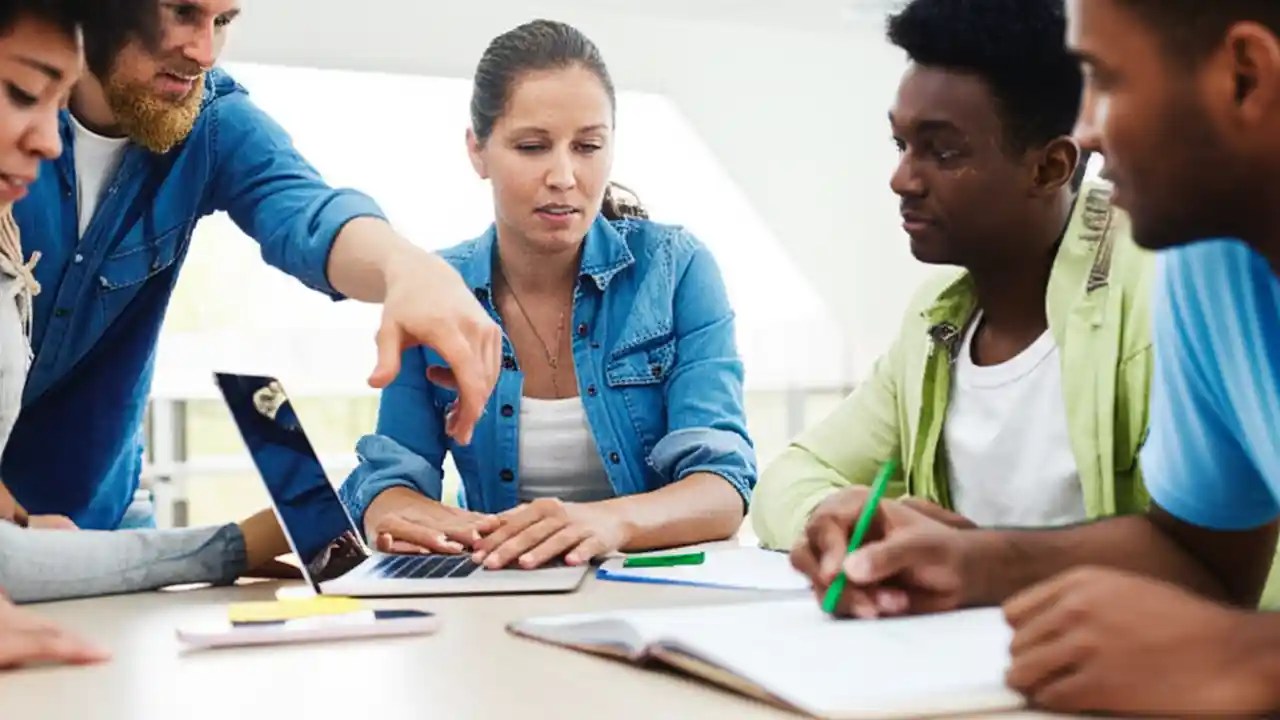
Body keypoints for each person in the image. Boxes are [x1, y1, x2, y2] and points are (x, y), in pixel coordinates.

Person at [792, 0, 1280, 714]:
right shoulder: (1209, 262)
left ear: (1244, 78)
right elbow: (1203, 557)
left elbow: (1229, 624)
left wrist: (1252, 657)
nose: (1086, 130)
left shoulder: (1142, 289)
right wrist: (971, 561)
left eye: (1105, 81)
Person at [0, 0, 503, 532]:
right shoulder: (14, 124)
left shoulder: (210, 121)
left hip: (99, 529)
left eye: (222, 22)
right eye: (183, 13)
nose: (204, 53)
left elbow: (307, 212)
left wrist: (406, 268)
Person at [340, 19, 755, 571]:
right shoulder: (439, 291)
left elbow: (722, 488)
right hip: (502, 589)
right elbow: (389, 484)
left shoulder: (676, 270)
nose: (564, 175)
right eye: (533, 146)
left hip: (658, 591)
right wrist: (483, 534)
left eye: (588, 146)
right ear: (477, 151)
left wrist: (606, 522)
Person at [755, 0, 1153, 552]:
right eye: (901, 144)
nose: (901, 179)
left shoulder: (1155, 297)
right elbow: (789, 476)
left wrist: (984, 565)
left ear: (1049, 168)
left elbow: (1215, 564)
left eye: (942, 152)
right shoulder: (935, 319)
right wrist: (843, 525)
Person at [0, 0, 297, 671]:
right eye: (22, 94)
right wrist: (233, 547)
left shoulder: (8, 248)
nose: (49, 142)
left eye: (223, 22)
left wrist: (17, 529)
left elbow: (302, 205)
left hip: (84, 530)